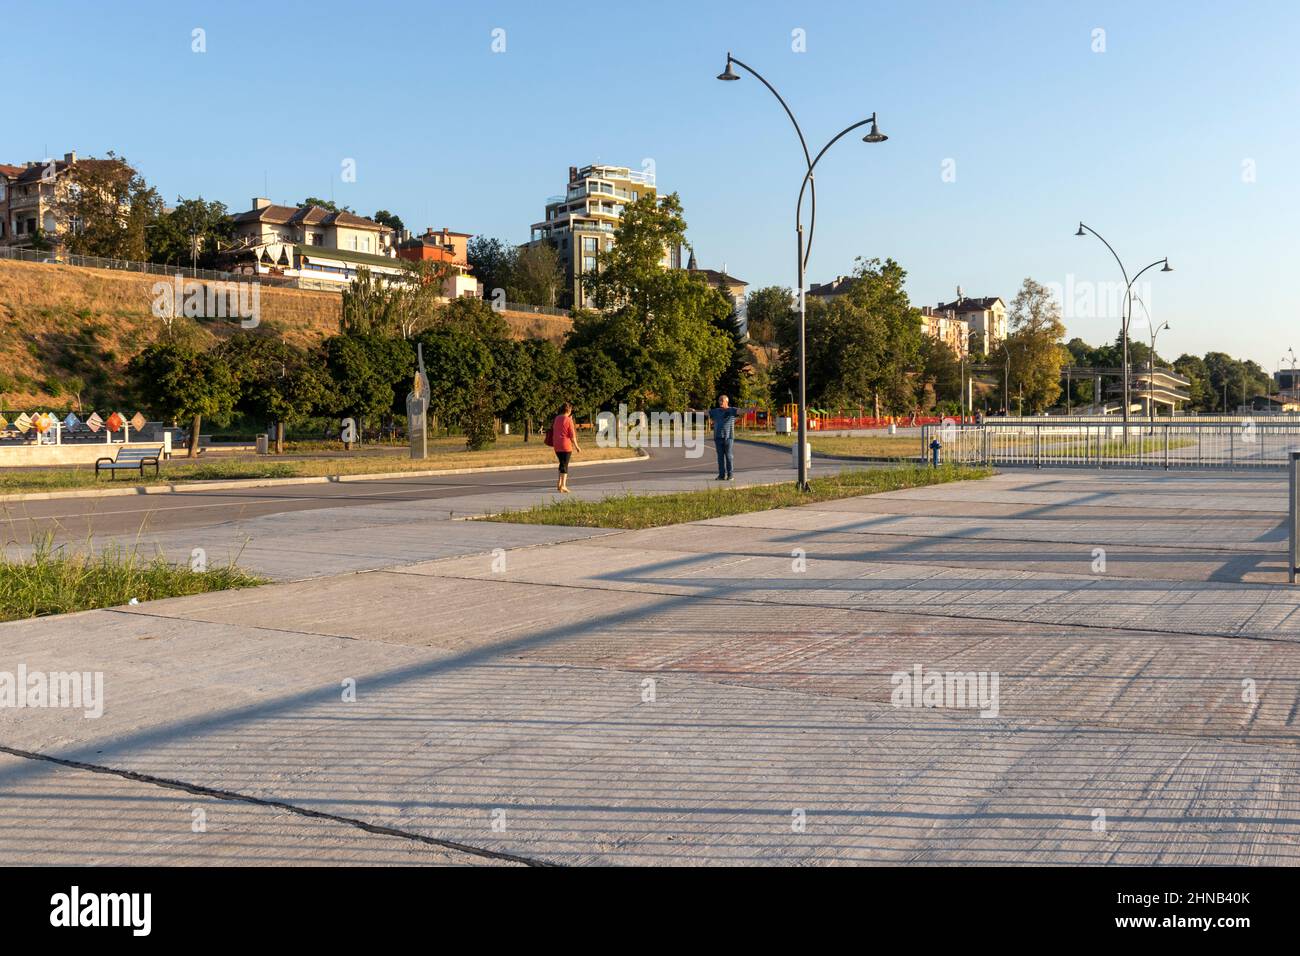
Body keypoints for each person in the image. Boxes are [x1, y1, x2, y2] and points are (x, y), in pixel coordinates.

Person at [546, 402, 580, 493]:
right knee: (565, 465)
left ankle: (559, 483)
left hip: (557, 445)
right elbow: (572, 436)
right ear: (569, 410)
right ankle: (563, 485)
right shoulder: (569, 420)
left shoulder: (557, 418)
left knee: (561, 463)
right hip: (566, 445)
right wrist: (577, 447)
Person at [708, 394, 738, 481]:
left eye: (722, 400)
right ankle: (721, 475)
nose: (720, 402)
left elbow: (741, 411)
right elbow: (706, 412)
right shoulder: (716, 411)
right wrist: (694, 411)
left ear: (726, 401)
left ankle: (730, 475)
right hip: (718, 437)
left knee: (729, 456)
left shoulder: (732, 410)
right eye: (719, 401)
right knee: (720, 457)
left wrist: (750, 409)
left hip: (728, 437)